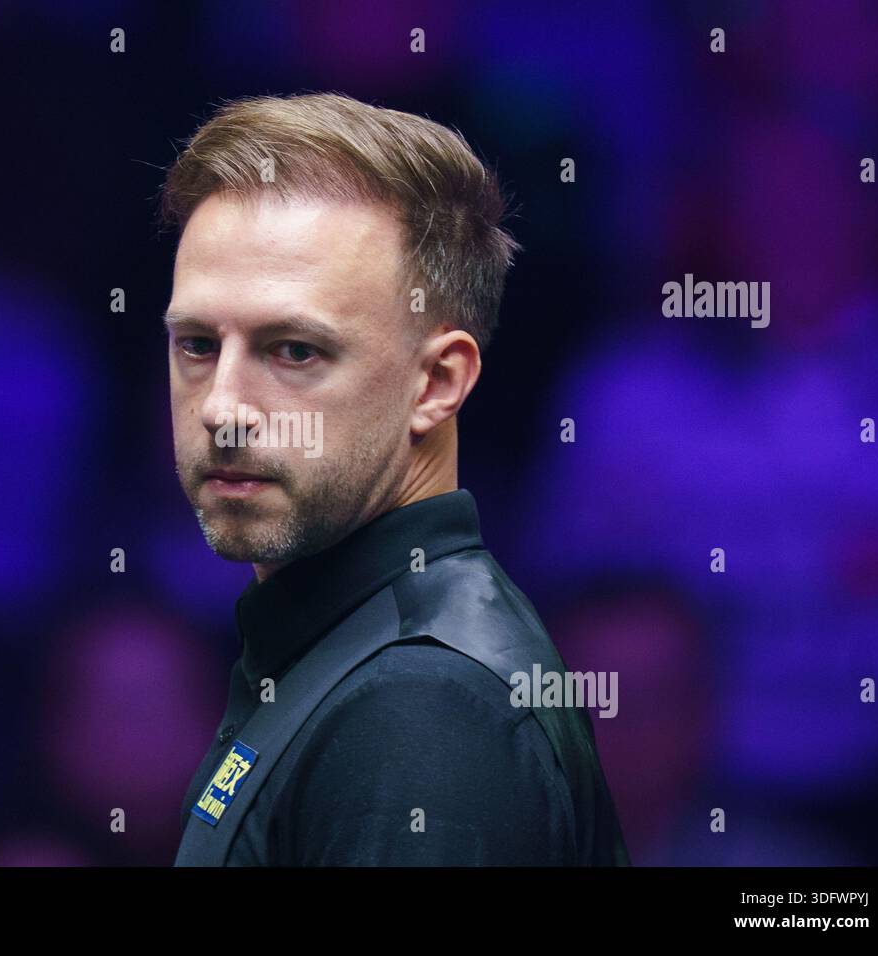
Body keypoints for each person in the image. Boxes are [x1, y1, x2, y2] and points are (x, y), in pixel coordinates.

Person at [161, 92, 630, 866]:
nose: (224, 409)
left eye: (295, 351)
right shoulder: (355, 646)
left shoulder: (423, 708)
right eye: (199, 344)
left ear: (438, 382)